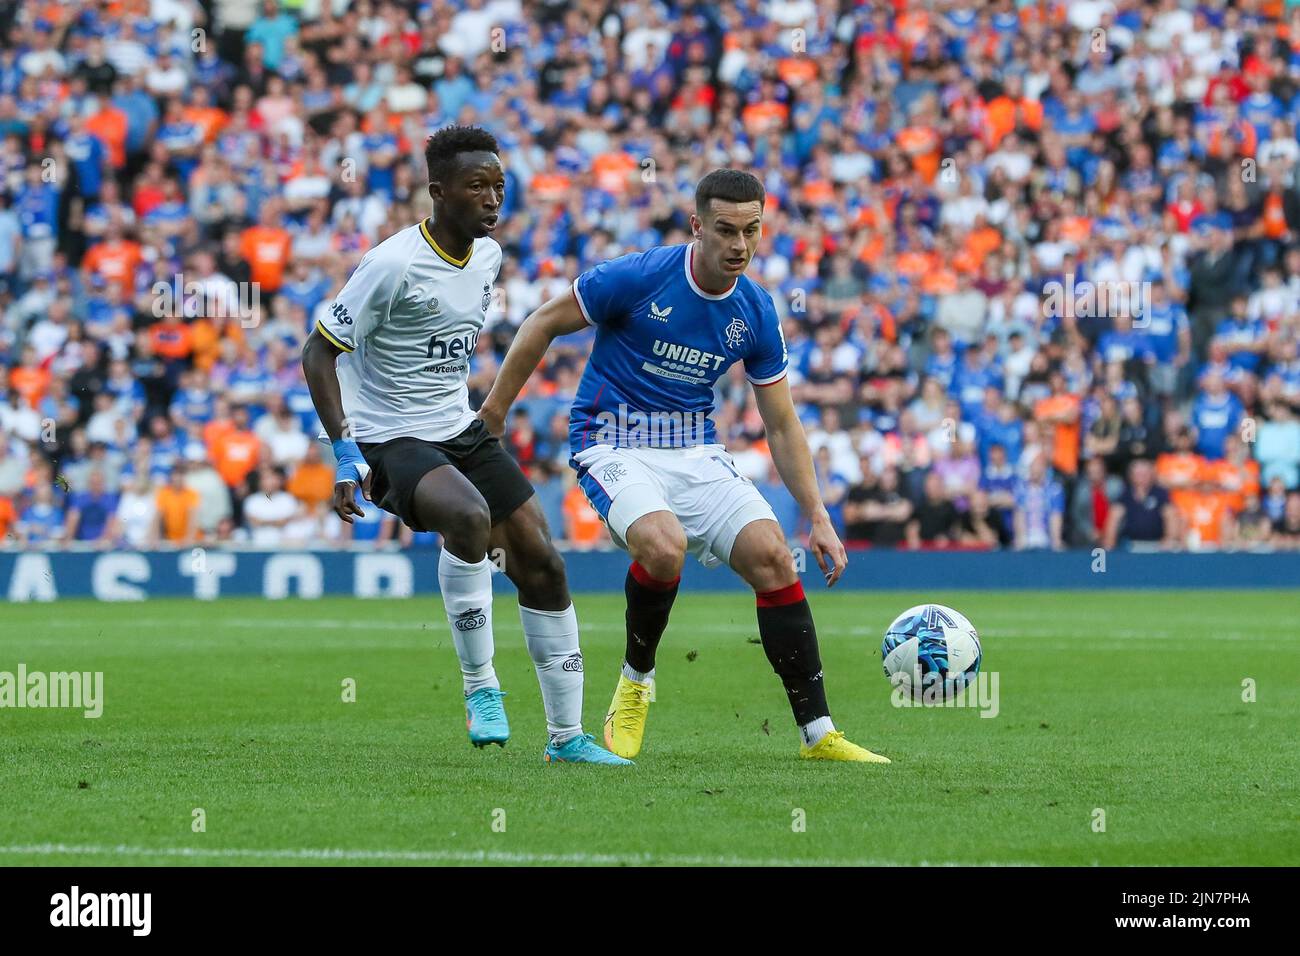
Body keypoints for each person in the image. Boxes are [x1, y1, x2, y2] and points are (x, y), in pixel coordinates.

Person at [480, 169, 888, 764]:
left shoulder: (755, 309)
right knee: (664, 547)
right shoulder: (639, 277)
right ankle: (635, 683)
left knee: (775, 557)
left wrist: (818, 515)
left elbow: (780, 423)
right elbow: (543, 322)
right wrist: (494, 413)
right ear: (697, 225)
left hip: (694, 448)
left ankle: (818, 734)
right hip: (610, 441)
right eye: (725, 230)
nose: (740, 245)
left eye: (751, 231)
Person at [301, 125, 627, 766]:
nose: (491, 198)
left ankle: (567, 739)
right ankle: (482, 689)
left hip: (458, 427)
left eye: (498, 186)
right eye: (476, 186)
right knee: (469, 518)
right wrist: (343, 454)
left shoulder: (486, 258)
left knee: (542, 560)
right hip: (388, 437)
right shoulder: (391, 264)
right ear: (437, 192)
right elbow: (318, 352)